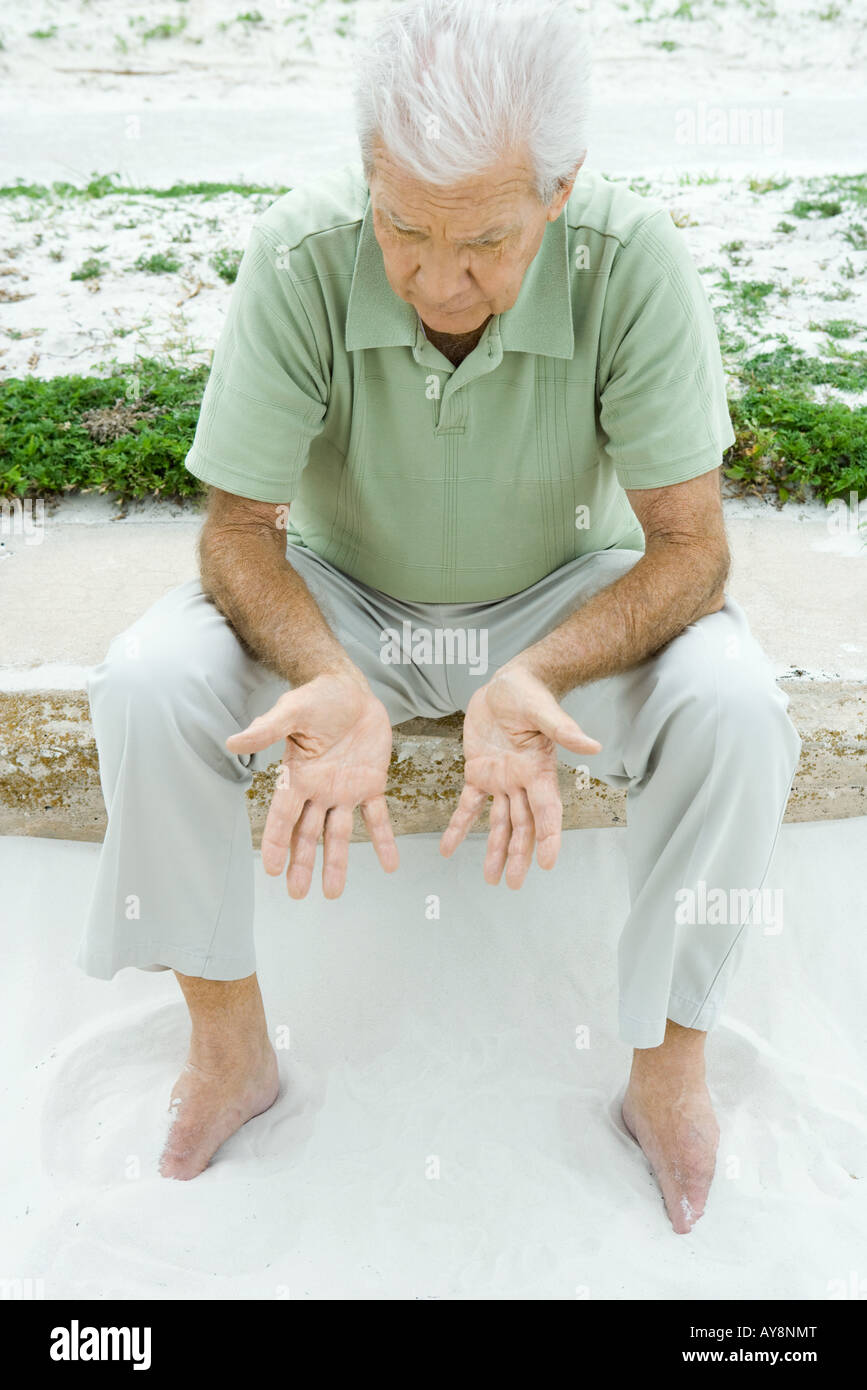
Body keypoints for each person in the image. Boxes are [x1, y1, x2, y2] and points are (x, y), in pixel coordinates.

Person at [79, 0, 801, 1234]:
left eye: (487, 242)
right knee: (146, 680)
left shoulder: (633, 262)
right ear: (368, 171)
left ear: (560, 194)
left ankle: (668, 1061)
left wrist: (534, 675)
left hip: (564, 608)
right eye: (404, 226)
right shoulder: (299, 256)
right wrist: (324, 671)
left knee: (740, 708)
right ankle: (228, 1043)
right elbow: (236, 531)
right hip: (341, 596)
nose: (437, 276)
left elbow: (692, 550)